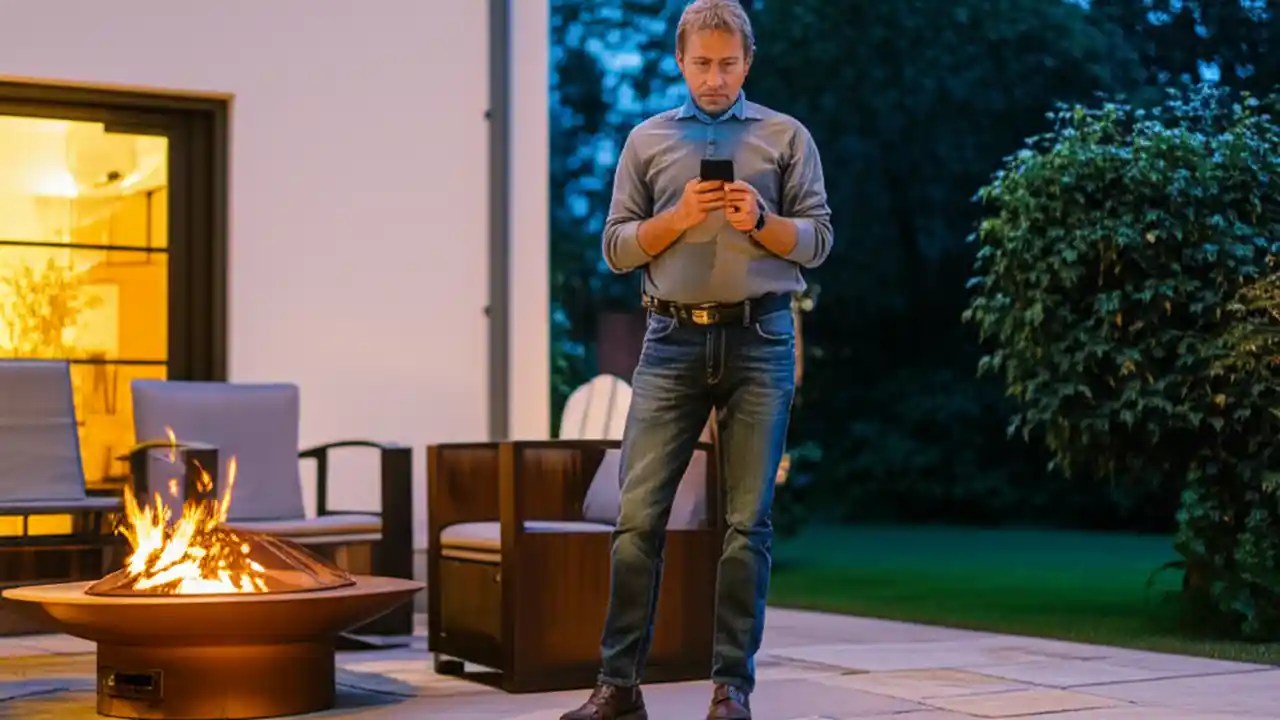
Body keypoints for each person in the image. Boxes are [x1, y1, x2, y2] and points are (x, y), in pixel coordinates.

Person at [560, 1, 833, 719]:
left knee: (748, 526)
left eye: (728, 63)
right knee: (637, 520)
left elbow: (819, 242)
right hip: (670, 344)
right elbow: (617, 248)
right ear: (680, 61)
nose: (715, 78)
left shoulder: (786, 137)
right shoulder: (647, 141)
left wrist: (764, 223)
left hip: (762, 340)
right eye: (702, 63)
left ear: (749, 60)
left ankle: (730, 690)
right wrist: (677, 218)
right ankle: (618, 688)